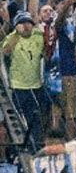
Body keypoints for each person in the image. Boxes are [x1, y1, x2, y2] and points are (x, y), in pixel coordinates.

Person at [2, 11, 49, 148]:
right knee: (20, 120)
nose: (26, 26)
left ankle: (37, 146)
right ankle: (22, 147)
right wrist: (17, 33)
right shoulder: (12, 38)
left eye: (28, 23)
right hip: (18, 86)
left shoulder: (38, 36)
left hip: (36, 85)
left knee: (36, 118)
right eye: (22, 23)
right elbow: (6, 51)